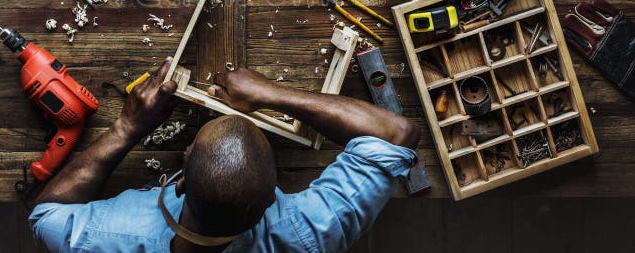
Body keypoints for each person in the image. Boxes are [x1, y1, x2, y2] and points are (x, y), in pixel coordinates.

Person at [30, 56, 419, 253]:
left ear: (180, 183)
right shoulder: (305, 235)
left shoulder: (108, 235)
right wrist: (271, 94)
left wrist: (127, 126)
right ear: (270, 200)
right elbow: (397, 133)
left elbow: (45, 214)